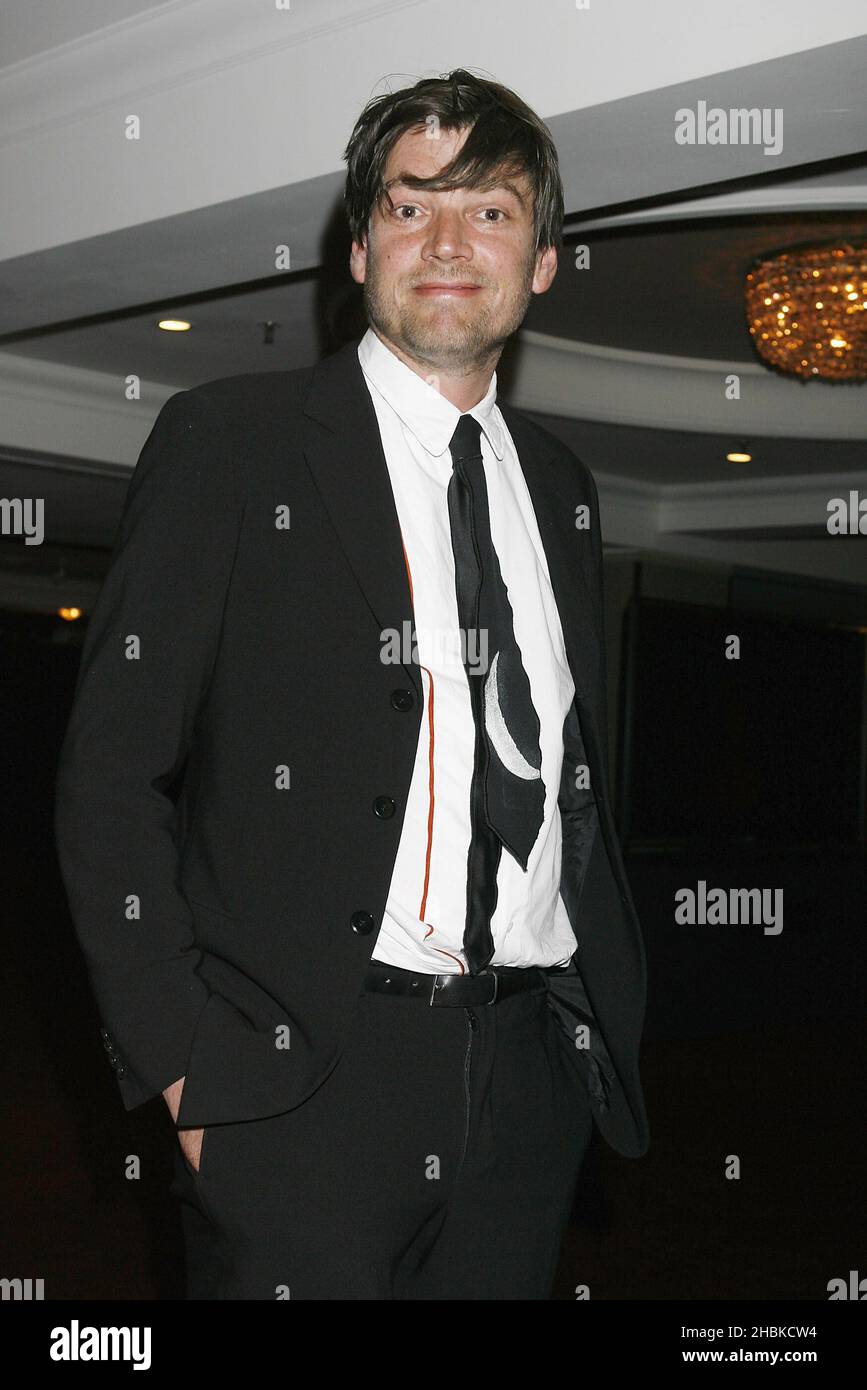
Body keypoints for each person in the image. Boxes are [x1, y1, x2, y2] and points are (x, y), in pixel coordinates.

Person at [54, 68, 648, 1301]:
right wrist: (191, 1075)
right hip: (298, 1095)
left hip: (531, 1084)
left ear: (542, 260)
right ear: (359, 243)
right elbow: (109, 780)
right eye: (409, 204)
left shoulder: (565, 488)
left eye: (489, 210)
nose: (446, 241)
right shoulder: (234, 443)